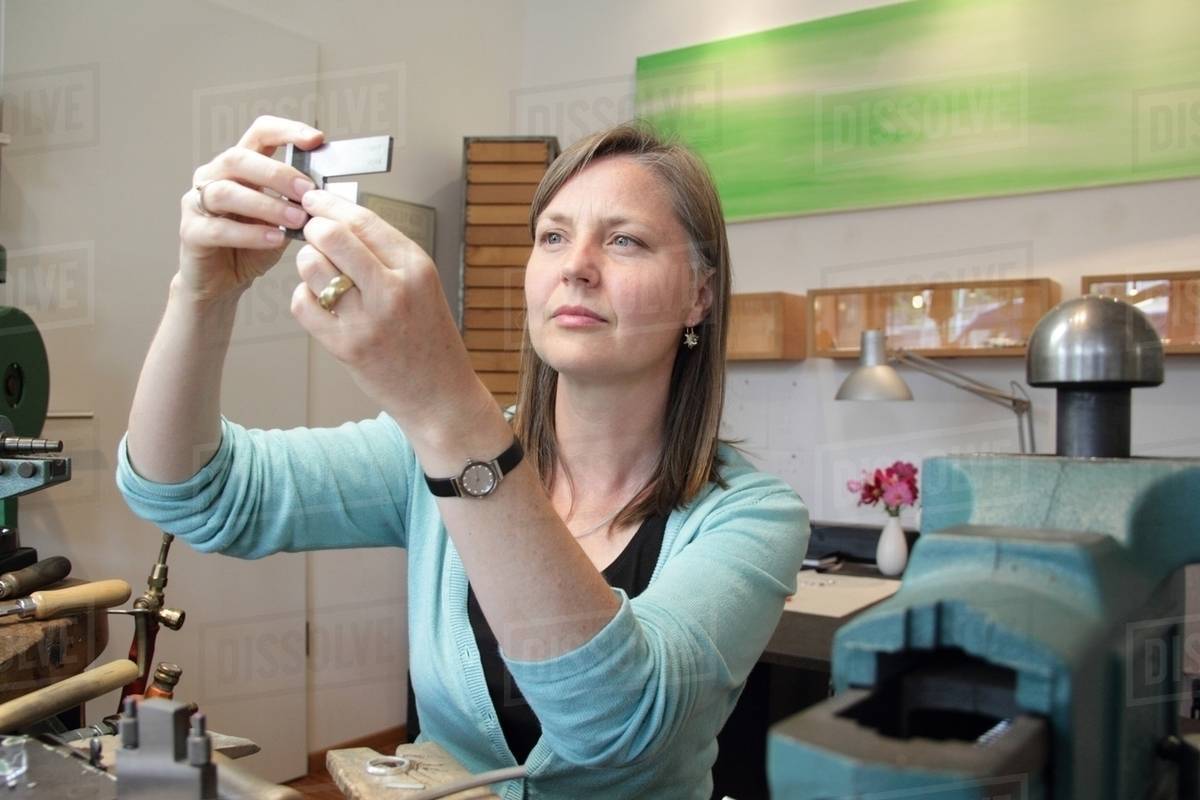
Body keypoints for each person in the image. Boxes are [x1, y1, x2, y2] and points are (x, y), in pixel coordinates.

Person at [116, 115, 809, 799]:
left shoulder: (754, 518)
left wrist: (447, 406)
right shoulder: (416, 455)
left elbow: (618, 724)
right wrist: (201, 294)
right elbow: (189, 493)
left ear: (700, 294)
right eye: (553, 237)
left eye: (624, 240)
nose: (577, 268)